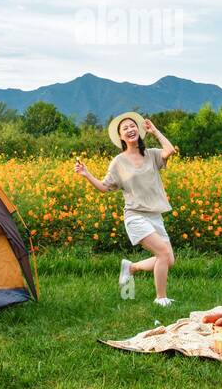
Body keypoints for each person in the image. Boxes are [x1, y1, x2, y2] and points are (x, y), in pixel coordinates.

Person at [75, 111, 178, 306]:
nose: (130, 129)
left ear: (139, 130)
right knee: (163, 254)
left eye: (133, 126)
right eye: (125, 128)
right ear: (121, 137)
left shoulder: (152, 155)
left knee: (168, 259)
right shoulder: (118, 162)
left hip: (155, 216)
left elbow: (170, 150)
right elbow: (105, 188)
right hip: (135, 216)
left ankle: (131, 268)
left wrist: (155, 130)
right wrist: (87, 174)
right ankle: (161, 298)